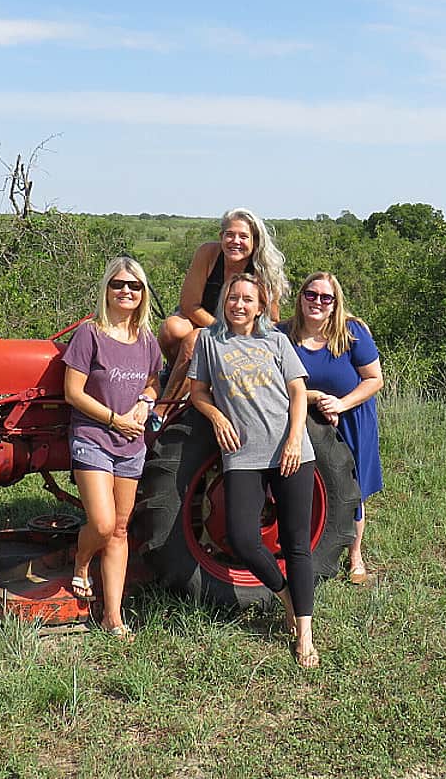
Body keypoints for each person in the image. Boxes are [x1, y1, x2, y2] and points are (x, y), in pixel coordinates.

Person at [187, 272, 320, 668]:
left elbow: (297, 391)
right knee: (243, 538)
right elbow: (198, 392)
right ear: (224, 302)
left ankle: (305, 635)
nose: (239, 305)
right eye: (233, 297)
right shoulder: (210, 341)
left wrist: (294, 438)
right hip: (242, 454)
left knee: (297, 544)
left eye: (248, 299)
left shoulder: (276, 340)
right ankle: (285, 595)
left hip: (291, 451)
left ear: (261, 306)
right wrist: (216, 416)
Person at [62, 256, 162, 639]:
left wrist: (147, 401)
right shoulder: (90, 334)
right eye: (118, 284)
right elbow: (73, 392)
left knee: (120, 529)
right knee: (103, 524)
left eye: (134, 286)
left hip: (131, 444)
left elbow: (153, 382)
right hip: (94, 437)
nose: (126, 291)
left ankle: (112, 616)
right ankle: (81, 560)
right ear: (106, 289)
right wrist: (113, 419)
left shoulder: (146, 339)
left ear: (143, 293)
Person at [282, 272, 384, 584]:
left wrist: (340, 404)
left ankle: (355, 555)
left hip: (350, 416)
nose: (317, 302)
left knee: (352, 489)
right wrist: (314, 397)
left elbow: (374, 379)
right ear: (301, 297)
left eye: (326, 297)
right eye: (311, 294)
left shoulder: (351, 332)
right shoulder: (282, 334)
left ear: (335, 303)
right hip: (302, 416)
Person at [157, 208, 290, 406]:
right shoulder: (208, 254)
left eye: (243, 236)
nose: (235, 241)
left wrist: (232, 333)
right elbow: (189, 305)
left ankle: (165, 408)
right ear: (221, 236)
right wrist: (217, 328)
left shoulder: (263, 269)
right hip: (202, 319)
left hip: (242, 332)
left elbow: (272, 319)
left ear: (255, 241)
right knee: (172, 328)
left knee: (195, 341)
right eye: (230, 234)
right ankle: (180, 375)